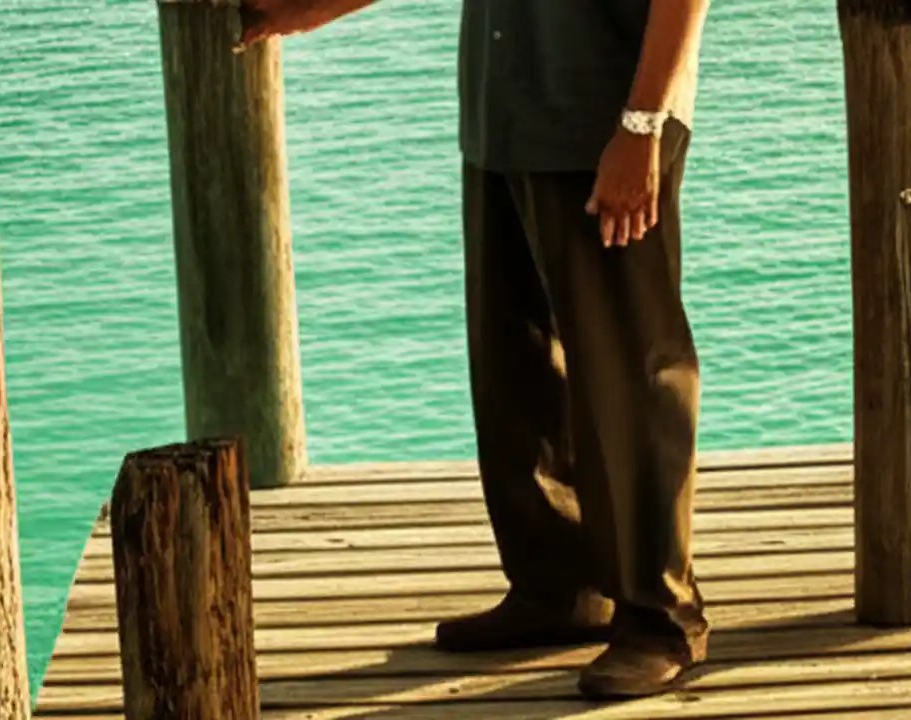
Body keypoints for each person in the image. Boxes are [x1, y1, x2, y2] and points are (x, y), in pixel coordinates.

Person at [239, 0, 712, 699]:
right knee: (512, 364)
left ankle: (660, 620)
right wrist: (313, 9)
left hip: (603, 113)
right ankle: (560, 587)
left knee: (629, 372)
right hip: (504, 109)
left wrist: (642, 122)